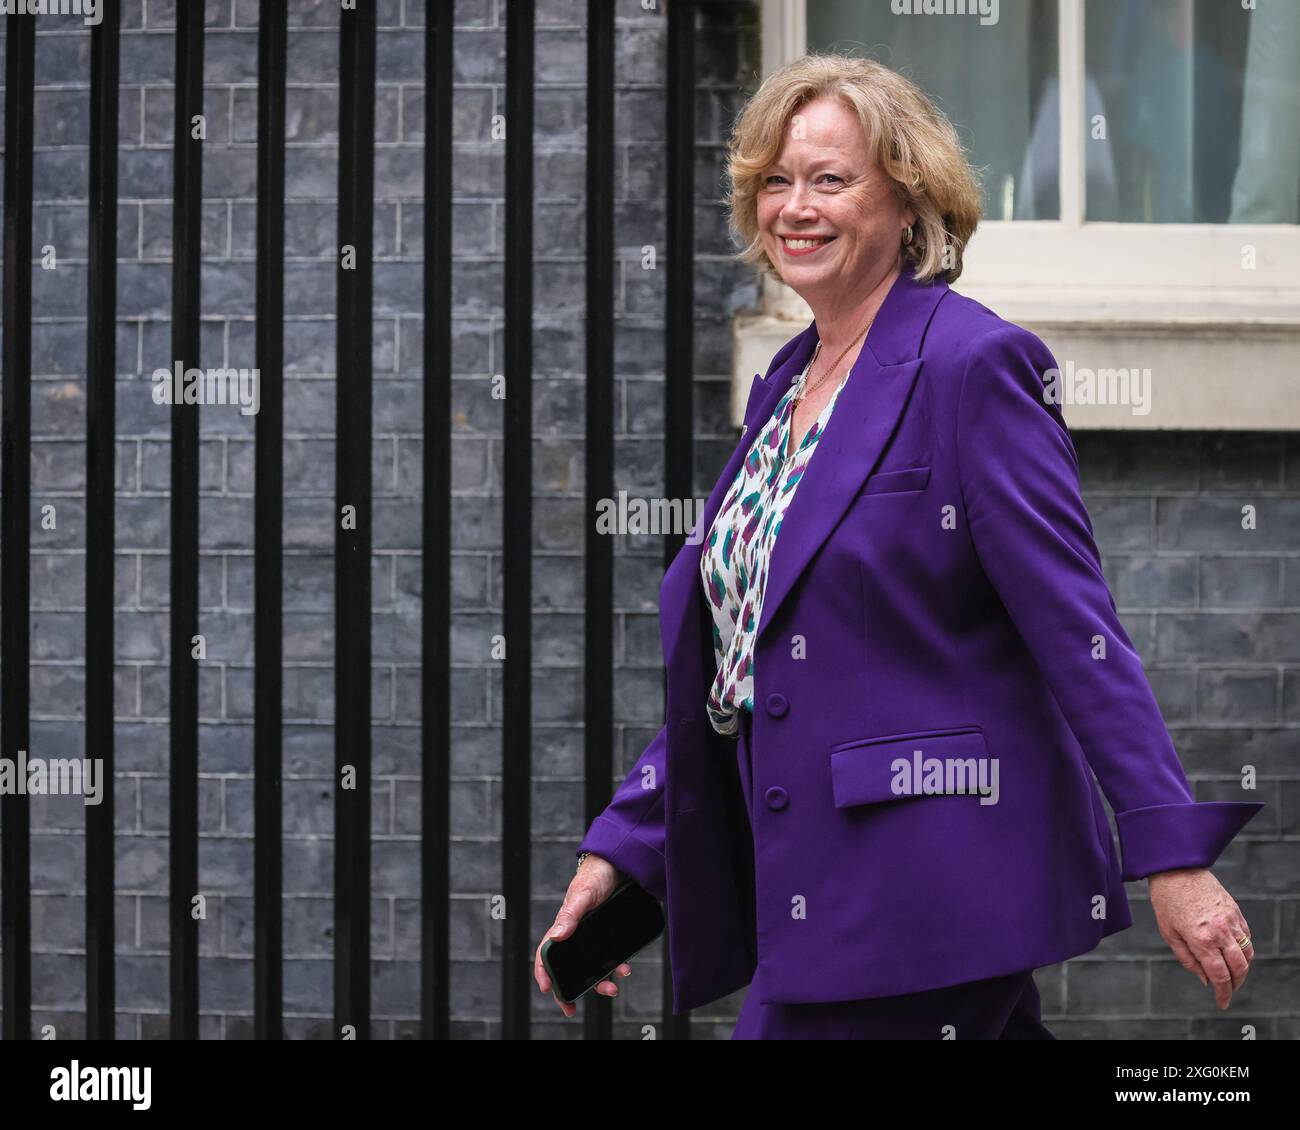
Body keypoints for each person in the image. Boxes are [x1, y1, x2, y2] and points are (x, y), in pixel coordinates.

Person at [534, 53, 1263, 1039]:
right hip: (825, 888)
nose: (795, 207)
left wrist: (1171, 851)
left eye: (830, 179)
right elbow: (738, 663)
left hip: (925, 887)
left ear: (910, 199)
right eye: (775, 181)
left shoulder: (973, 367)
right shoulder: (786, 385)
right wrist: (625, 848)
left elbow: (1075, 629)